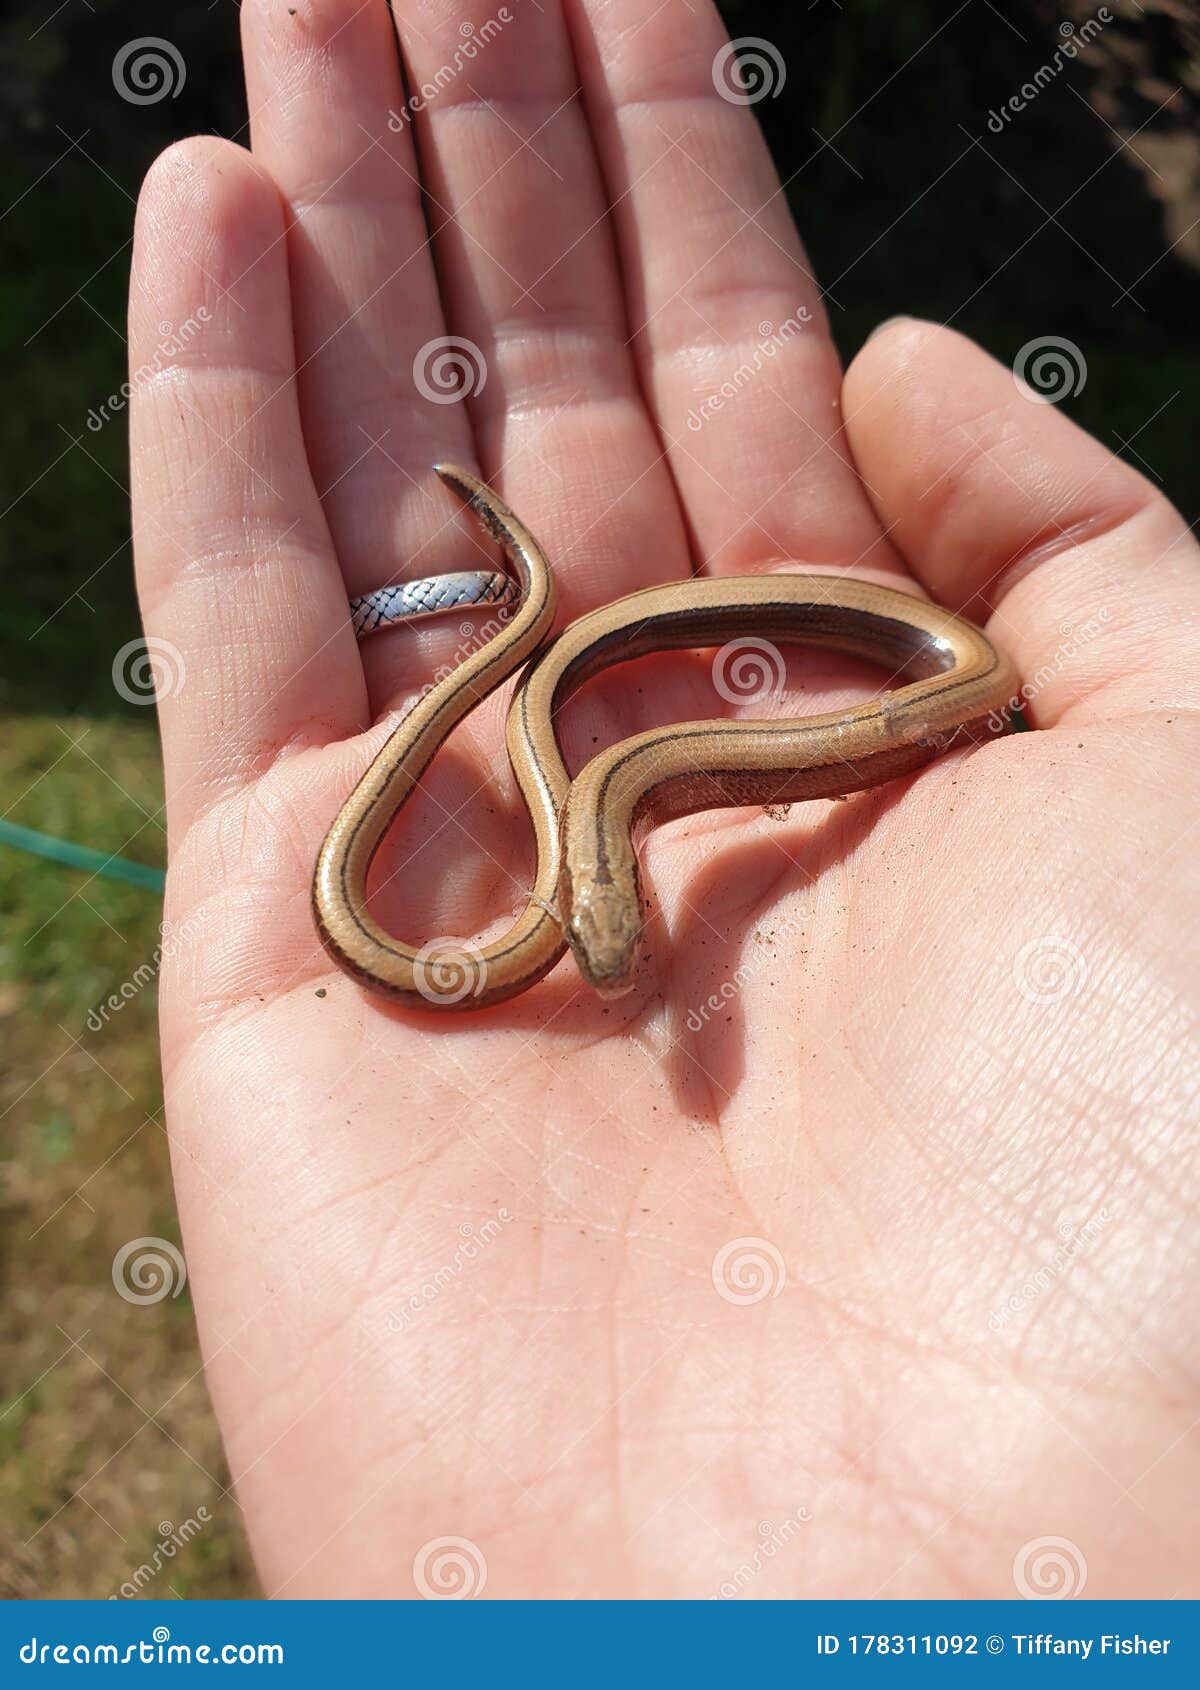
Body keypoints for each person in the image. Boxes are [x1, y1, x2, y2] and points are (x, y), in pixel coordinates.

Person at [128, 0, 1198, 1599]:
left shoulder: (613, 799)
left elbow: (951, 692)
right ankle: (527, 621)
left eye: (600, 940)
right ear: (612, 870)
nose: (604, 956)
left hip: (817, 678)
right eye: (604, 937)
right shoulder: (601, 818)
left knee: (900, 676)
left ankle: (533, 617)